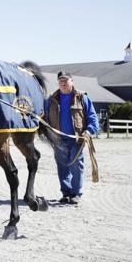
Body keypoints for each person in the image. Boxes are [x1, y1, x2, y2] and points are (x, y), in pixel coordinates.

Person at [45, 71, 99, 204]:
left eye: (66, 80)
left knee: (76, 165)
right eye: (60, 80)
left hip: (77, 139)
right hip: (58, 139)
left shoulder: (81, 97)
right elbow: (45, 117)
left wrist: (89, 131)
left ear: (72, 81)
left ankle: (76, 193)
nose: (63, 83)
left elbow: (92, 117)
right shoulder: (51, 99)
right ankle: (66, 193)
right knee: (62, 166)